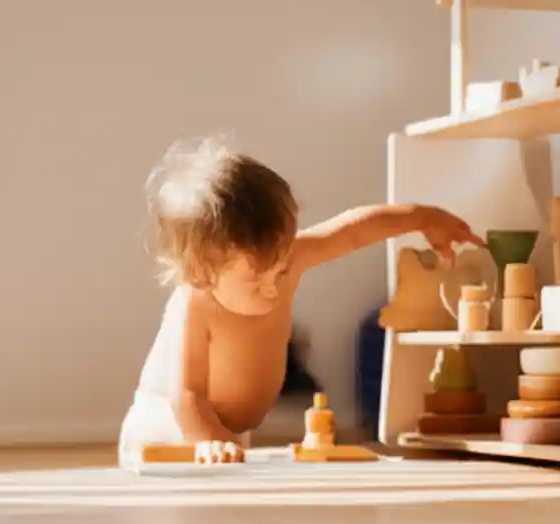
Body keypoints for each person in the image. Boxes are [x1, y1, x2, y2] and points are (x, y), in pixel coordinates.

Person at [119, 136, 482, 467]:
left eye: (279, 269)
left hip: (226, 433)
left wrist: (422, 218)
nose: (274, 287)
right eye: (254, 281)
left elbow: (353, 231)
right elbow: (187, 394)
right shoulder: (195, 302)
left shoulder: (290, 258)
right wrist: (209, 441)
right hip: (170, 426)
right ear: (203, 272)